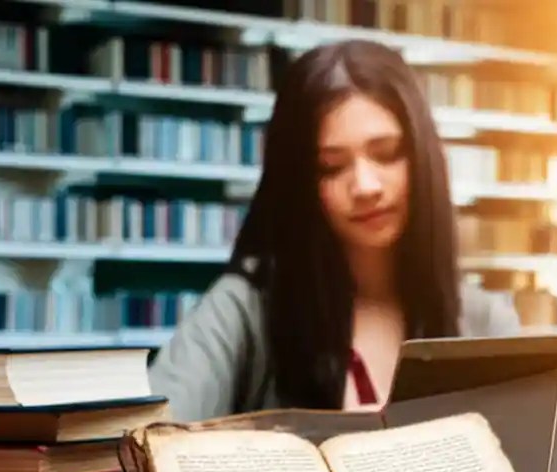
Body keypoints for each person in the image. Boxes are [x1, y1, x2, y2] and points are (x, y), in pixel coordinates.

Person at [148, 39, 521, 422]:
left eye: (387, 153)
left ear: (422, 158)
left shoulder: (485, 322)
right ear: (301, 184)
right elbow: (150, 438)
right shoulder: (244, 309)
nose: (365, 186)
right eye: (331, 166)